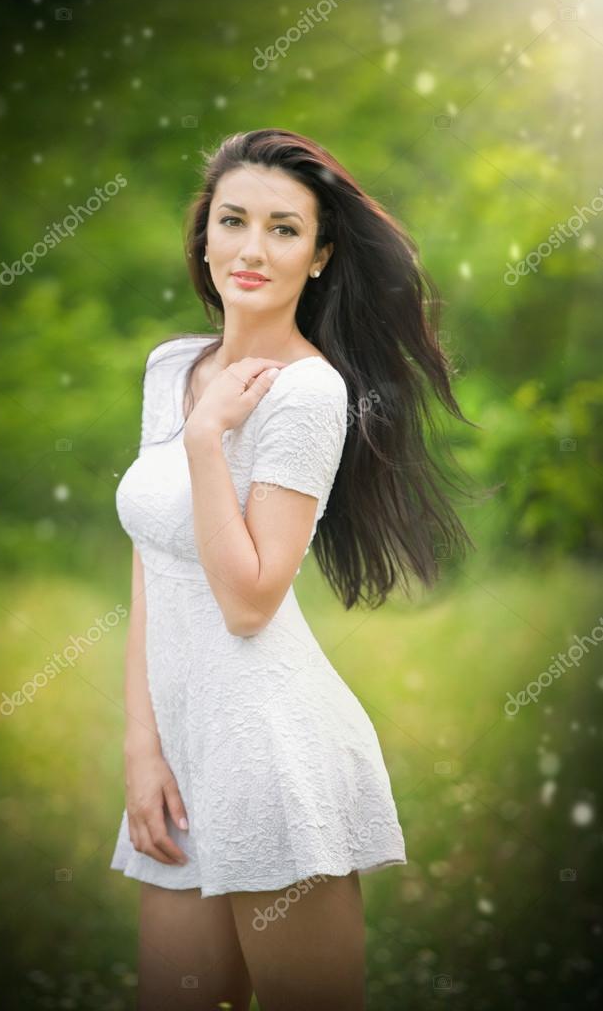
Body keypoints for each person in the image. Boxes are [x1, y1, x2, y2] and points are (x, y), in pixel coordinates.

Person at [110, 128, 478, 1010]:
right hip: (184, 757)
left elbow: (246, 602)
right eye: (232, 220)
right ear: (204, 236)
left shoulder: (309, 394)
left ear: (319, 256)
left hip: (271, 750)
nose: (251, 247)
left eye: (283, 228)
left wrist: (207, 445)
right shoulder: (172, 370)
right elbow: (151, 572)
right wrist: (141, 749)